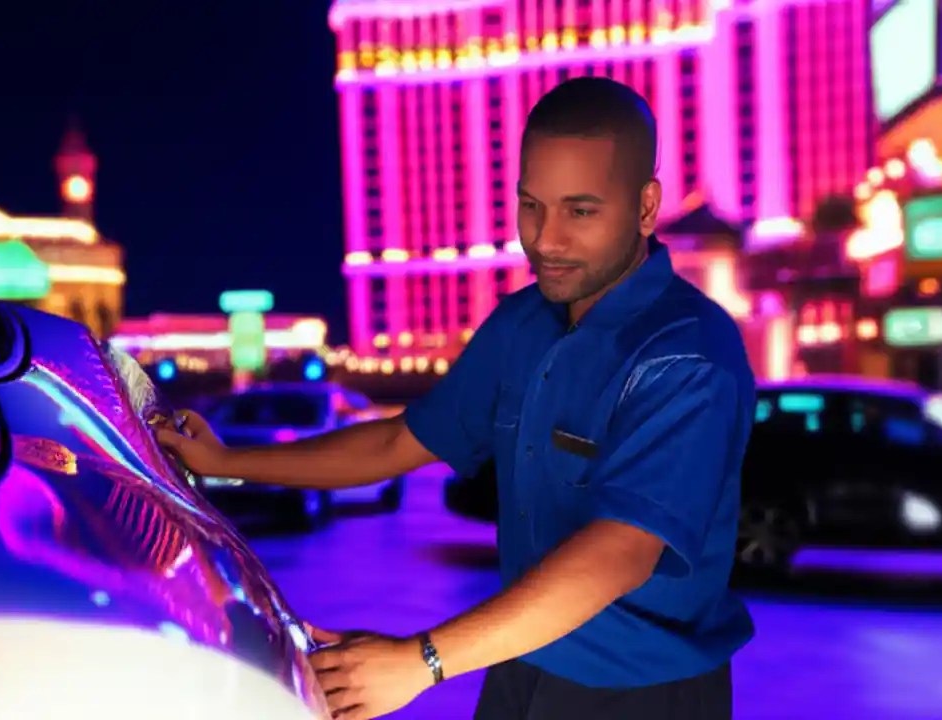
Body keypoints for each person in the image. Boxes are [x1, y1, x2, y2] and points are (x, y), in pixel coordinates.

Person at [158, 76, 755, 720]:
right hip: (520, 663)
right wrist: (228, 464)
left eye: (580, 211)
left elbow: (619, 552)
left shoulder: (686, 354)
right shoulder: (524, 324)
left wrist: (422, 661)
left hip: (645, 695)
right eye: (532, 205)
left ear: (644, 207)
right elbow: (398, 439)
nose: (545, 240)